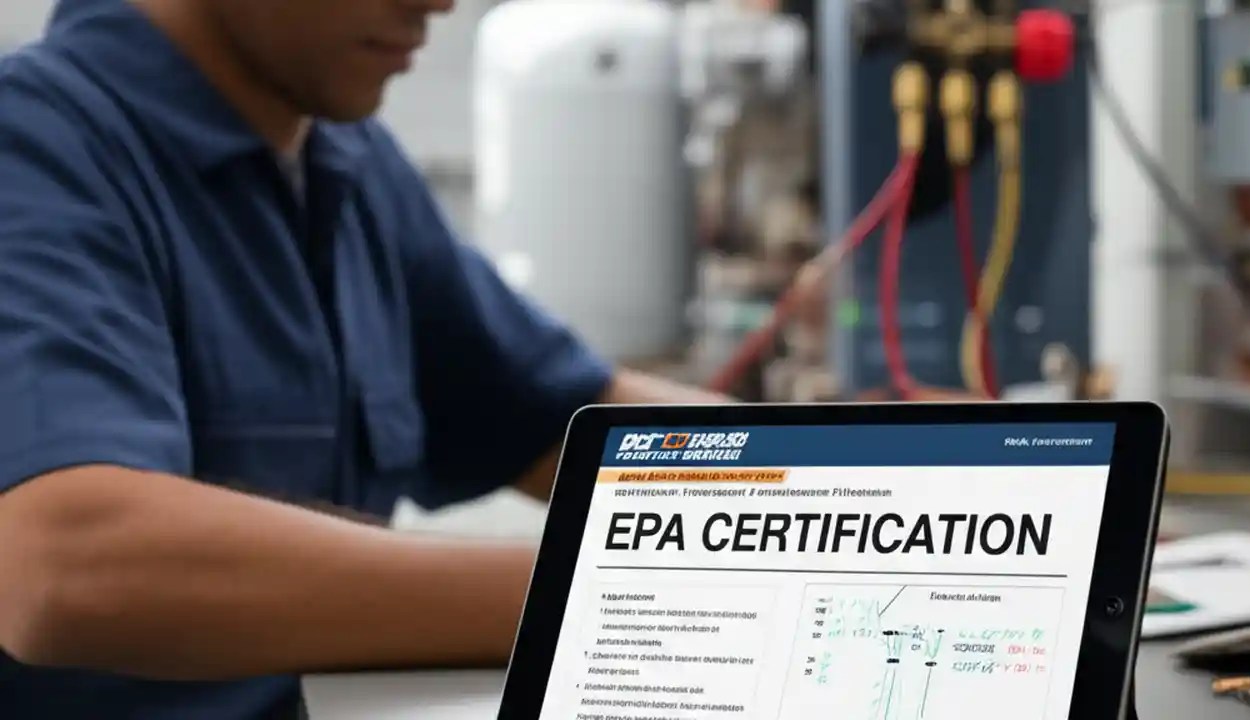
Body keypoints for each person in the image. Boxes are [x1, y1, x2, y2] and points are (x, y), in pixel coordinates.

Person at [0, 0, 727, 717]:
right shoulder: (36, 149)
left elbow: (567, 422)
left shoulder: (344, 163)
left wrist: (829, 490)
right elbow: (70, 566)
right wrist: (614, 597)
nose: (439, 4)